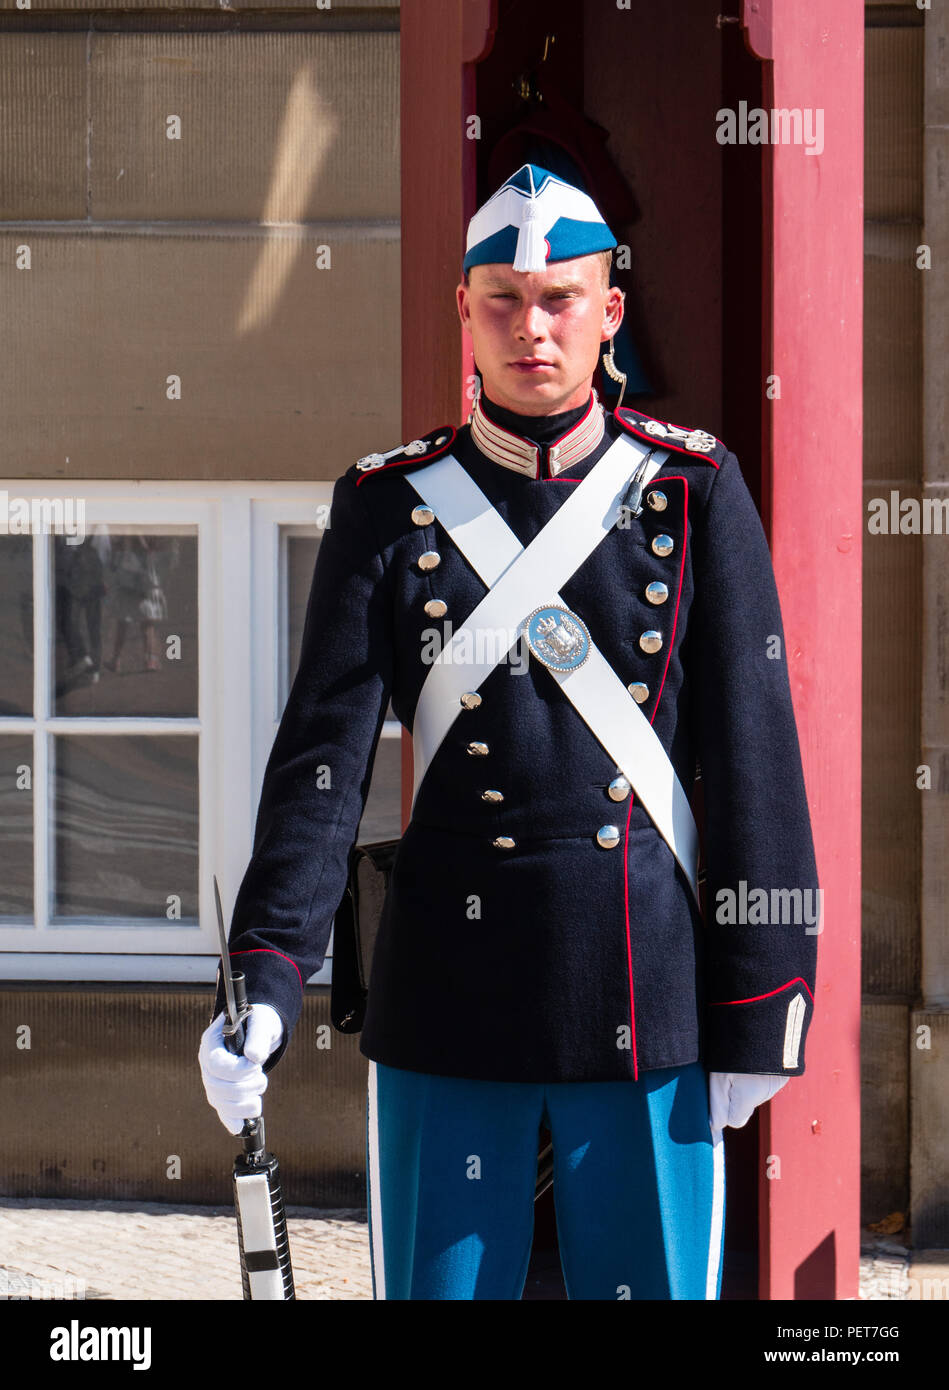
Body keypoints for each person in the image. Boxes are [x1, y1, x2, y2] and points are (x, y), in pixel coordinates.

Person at [199, 165, 819, 1300]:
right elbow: (322, 764)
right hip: (448, 999)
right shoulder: (388, 504)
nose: (531, 328)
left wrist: (761, 1000)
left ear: (608, 312)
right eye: (502, 299)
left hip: (645, 1002)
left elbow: (754, 760)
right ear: (463, 310)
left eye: (559, 299)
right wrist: (269, 974)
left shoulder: (693, 489)